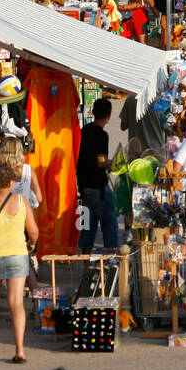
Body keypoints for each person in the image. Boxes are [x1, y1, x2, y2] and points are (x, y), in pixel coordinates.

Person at [0, 161, 38, 362]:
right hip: (18, 257)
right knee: (16, 303)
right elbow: (34, 231)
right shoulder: (21, 201)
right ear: (12, 182)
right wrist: (31, 243)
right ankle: (20, 350)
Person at [76, 99, 118, 254]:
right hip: (98, 187)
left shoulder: (84, 130)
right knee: (109, 223)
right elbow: (101, 161)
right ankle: (110, 260)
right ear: (108, 115)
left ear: (93, 112)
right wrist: (113, 164)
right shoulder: (102, 135)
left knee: (88, 224)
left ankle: (86, 263)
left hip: (84, 185)